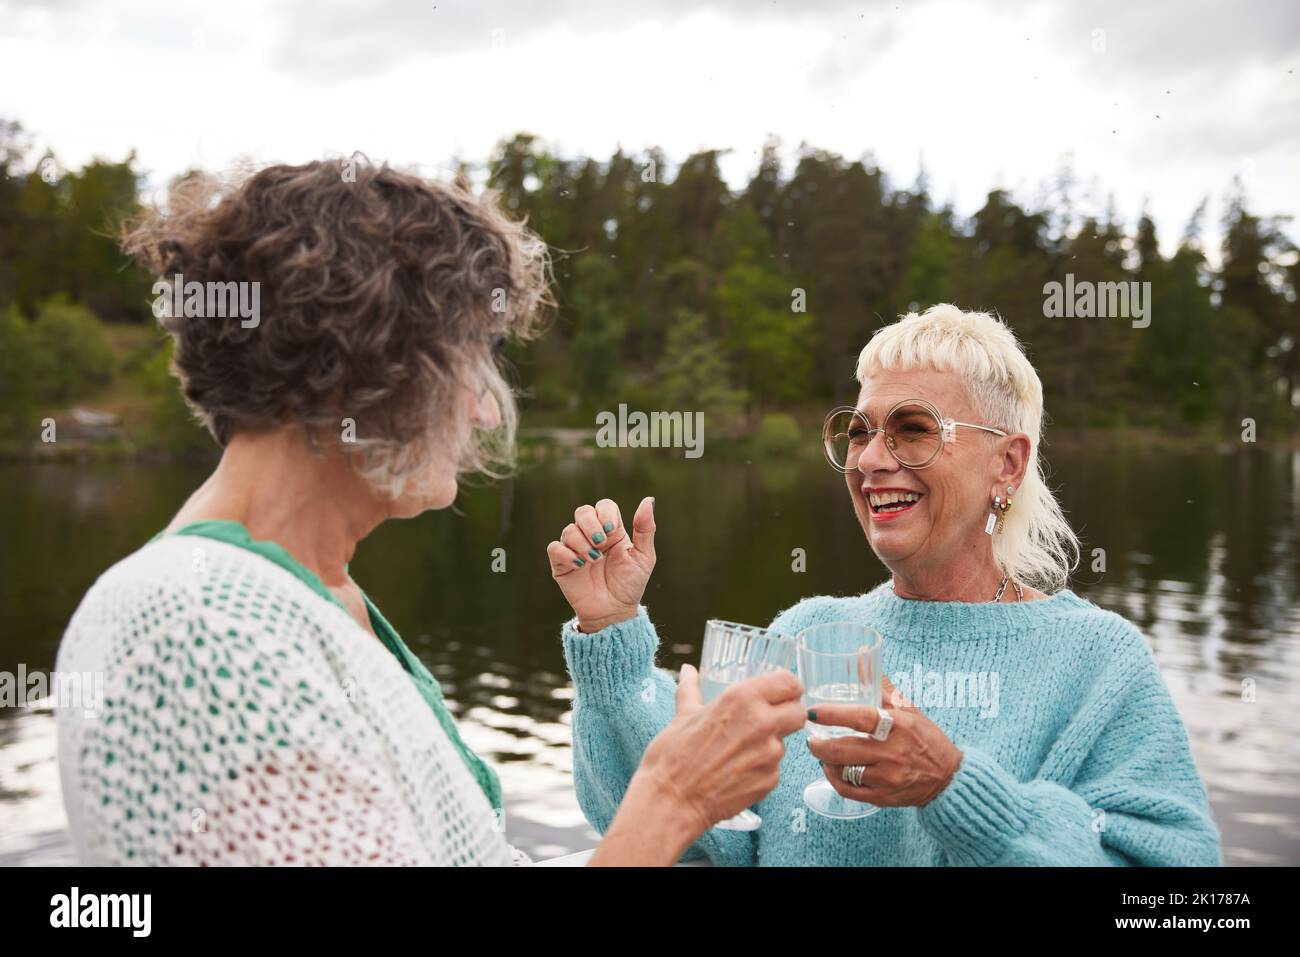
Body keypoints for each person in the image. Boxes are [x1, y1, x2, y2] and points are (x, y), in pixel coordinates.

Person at [54, 157, 805, 866]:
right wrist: (673, 799)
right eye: (470, 358)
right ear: (356, 366)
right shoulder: (202, 627)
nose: (482, 410)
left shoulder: (302, 595)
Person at [549, 303, 1223, 866]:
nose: (870, 460)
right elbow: (680, 839)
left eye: (913, 430)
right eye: (860, 431)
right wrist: (612, 634)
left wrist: (954, 788)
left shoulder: (1100, 661)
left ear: (1008, 464)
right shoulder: (804, 631)